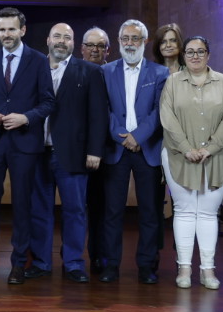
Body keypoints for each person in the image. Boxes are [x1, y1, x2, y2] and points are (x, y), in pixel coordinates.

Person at [0, 7, 56, 285]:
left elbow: (48, 102)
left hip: (25, 143)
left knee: (22, 205)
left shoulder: (38, 61)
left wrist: (26, 117)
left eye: (11, 29)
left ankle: (19, 264)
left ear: (22, 30)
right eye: (1, 29)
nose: (6, 34)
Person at [30, 23, 108, 283]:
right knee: (39, 210)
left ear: (74, 43)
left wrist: (95, 150)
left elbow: (98, 115)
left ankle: (74, 262)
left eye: (67, 37)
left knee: (74, 210)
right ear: (48, 40)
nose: (61, 41)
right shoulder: (33, 69)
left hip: (73, 153)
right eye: (57, 37)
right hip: (37, 152)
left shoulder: (89, 71)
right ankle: (40, 262)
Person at [160, 36, 223, 289]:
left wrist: (209, 148)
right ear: (184, 55)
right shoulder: (172, 83)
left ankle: (208, 270)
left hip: (215, 156)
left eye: (200, 51)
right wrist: (186, 148)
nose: (195, 56)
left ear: (208, 54)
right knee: (183, 211)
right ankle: (184, 268)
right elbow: (167, 117)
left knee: (207, 213)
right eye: (190, 52)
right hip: (178, 154)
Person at [99, 19, 167, 283]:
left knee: (150, 212)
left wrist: (138, 137)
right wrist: (122, 137)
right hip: (116, 150)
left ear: (145, 42)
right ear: (118, 41)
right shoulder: (105, 72)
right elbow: (103, 110)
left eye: (135, 39)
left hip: (146, 149)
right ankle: (111, 265)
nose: (129, 43)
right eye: (125, 38)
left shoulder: (160, 74)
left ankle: (147, 267)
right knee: (112, 211)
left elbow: (159, 112)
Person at [81, 26, 112, 272]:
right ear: (82, 49)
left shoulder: (113, 74)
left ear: (108, 51)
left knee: (101, 207)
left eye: (100, 46)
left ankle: (99, 254)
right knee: (77, 206)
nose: (94, 50)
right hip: (78, 151)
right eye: (90, 45)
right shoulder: (72, 72)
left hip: (108, 152)